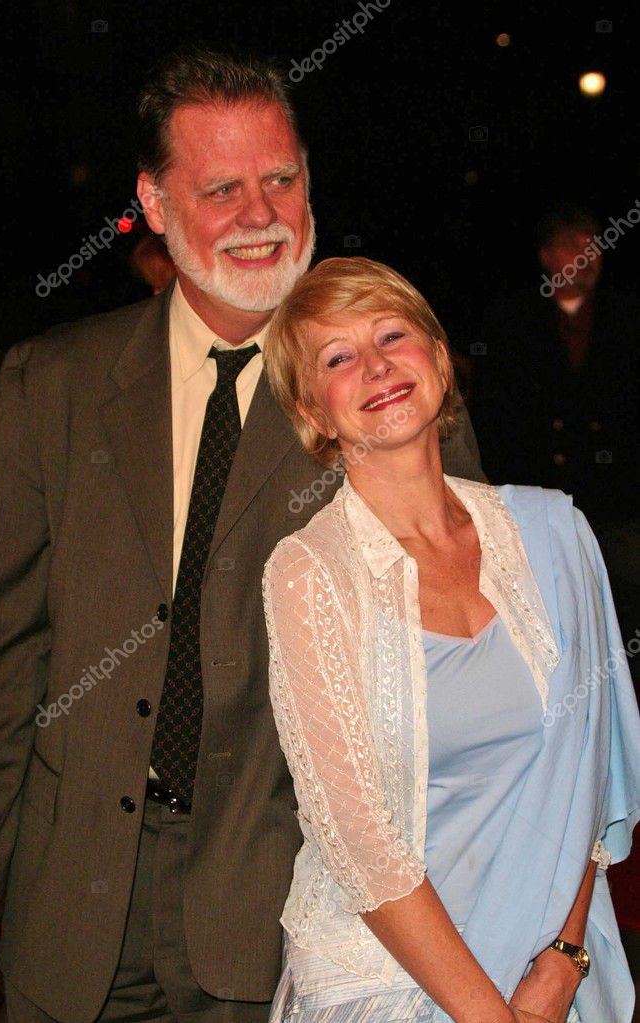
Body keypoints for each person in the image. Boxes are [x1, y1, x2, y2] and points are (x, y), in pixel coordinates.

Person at [0, 48, 486, 1022]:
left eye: (281, 179)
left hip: (290, 915)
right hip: (69, 908)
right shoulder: (52, 386)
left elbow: (465, 658)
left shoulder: (382, 378)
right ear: (153, 204)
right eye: (222, 187)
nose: (259, 214)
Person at [261, 256, 640, 1023]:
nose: (375, 365)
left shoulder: (555, 532)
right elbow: (359, 846)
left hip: (553, 977)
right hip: (388, 988)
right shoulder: (308, 574)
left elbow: (588, 777)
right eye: (338, 357)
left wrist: (559, 966)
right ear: (315, 413)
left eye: (392, 334)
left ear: (438, 358)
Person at [471, 203, 640, 529]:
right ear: (546, 256)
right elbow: (493, 416)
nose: (585, 255)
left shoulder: (626, 318)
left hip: (620, 502)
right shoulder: (511, 322)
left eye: (593, 245)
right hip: (540, 502)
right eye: (570, 245)